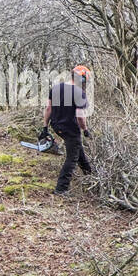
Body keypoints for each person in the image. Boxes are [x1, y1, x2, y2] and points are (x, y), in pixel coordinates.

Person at [43, 65, 94, 195]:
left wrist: (45, 127)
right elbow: (80, 116)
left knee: (77, 148)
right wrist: (85, 129)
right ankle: (61, 189)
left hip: (57, 126)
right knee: (72, 158)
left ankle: (89, 174)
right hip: (70, 128)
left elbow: (48, 109)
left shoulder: (55, 88)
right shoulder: (79, 93)